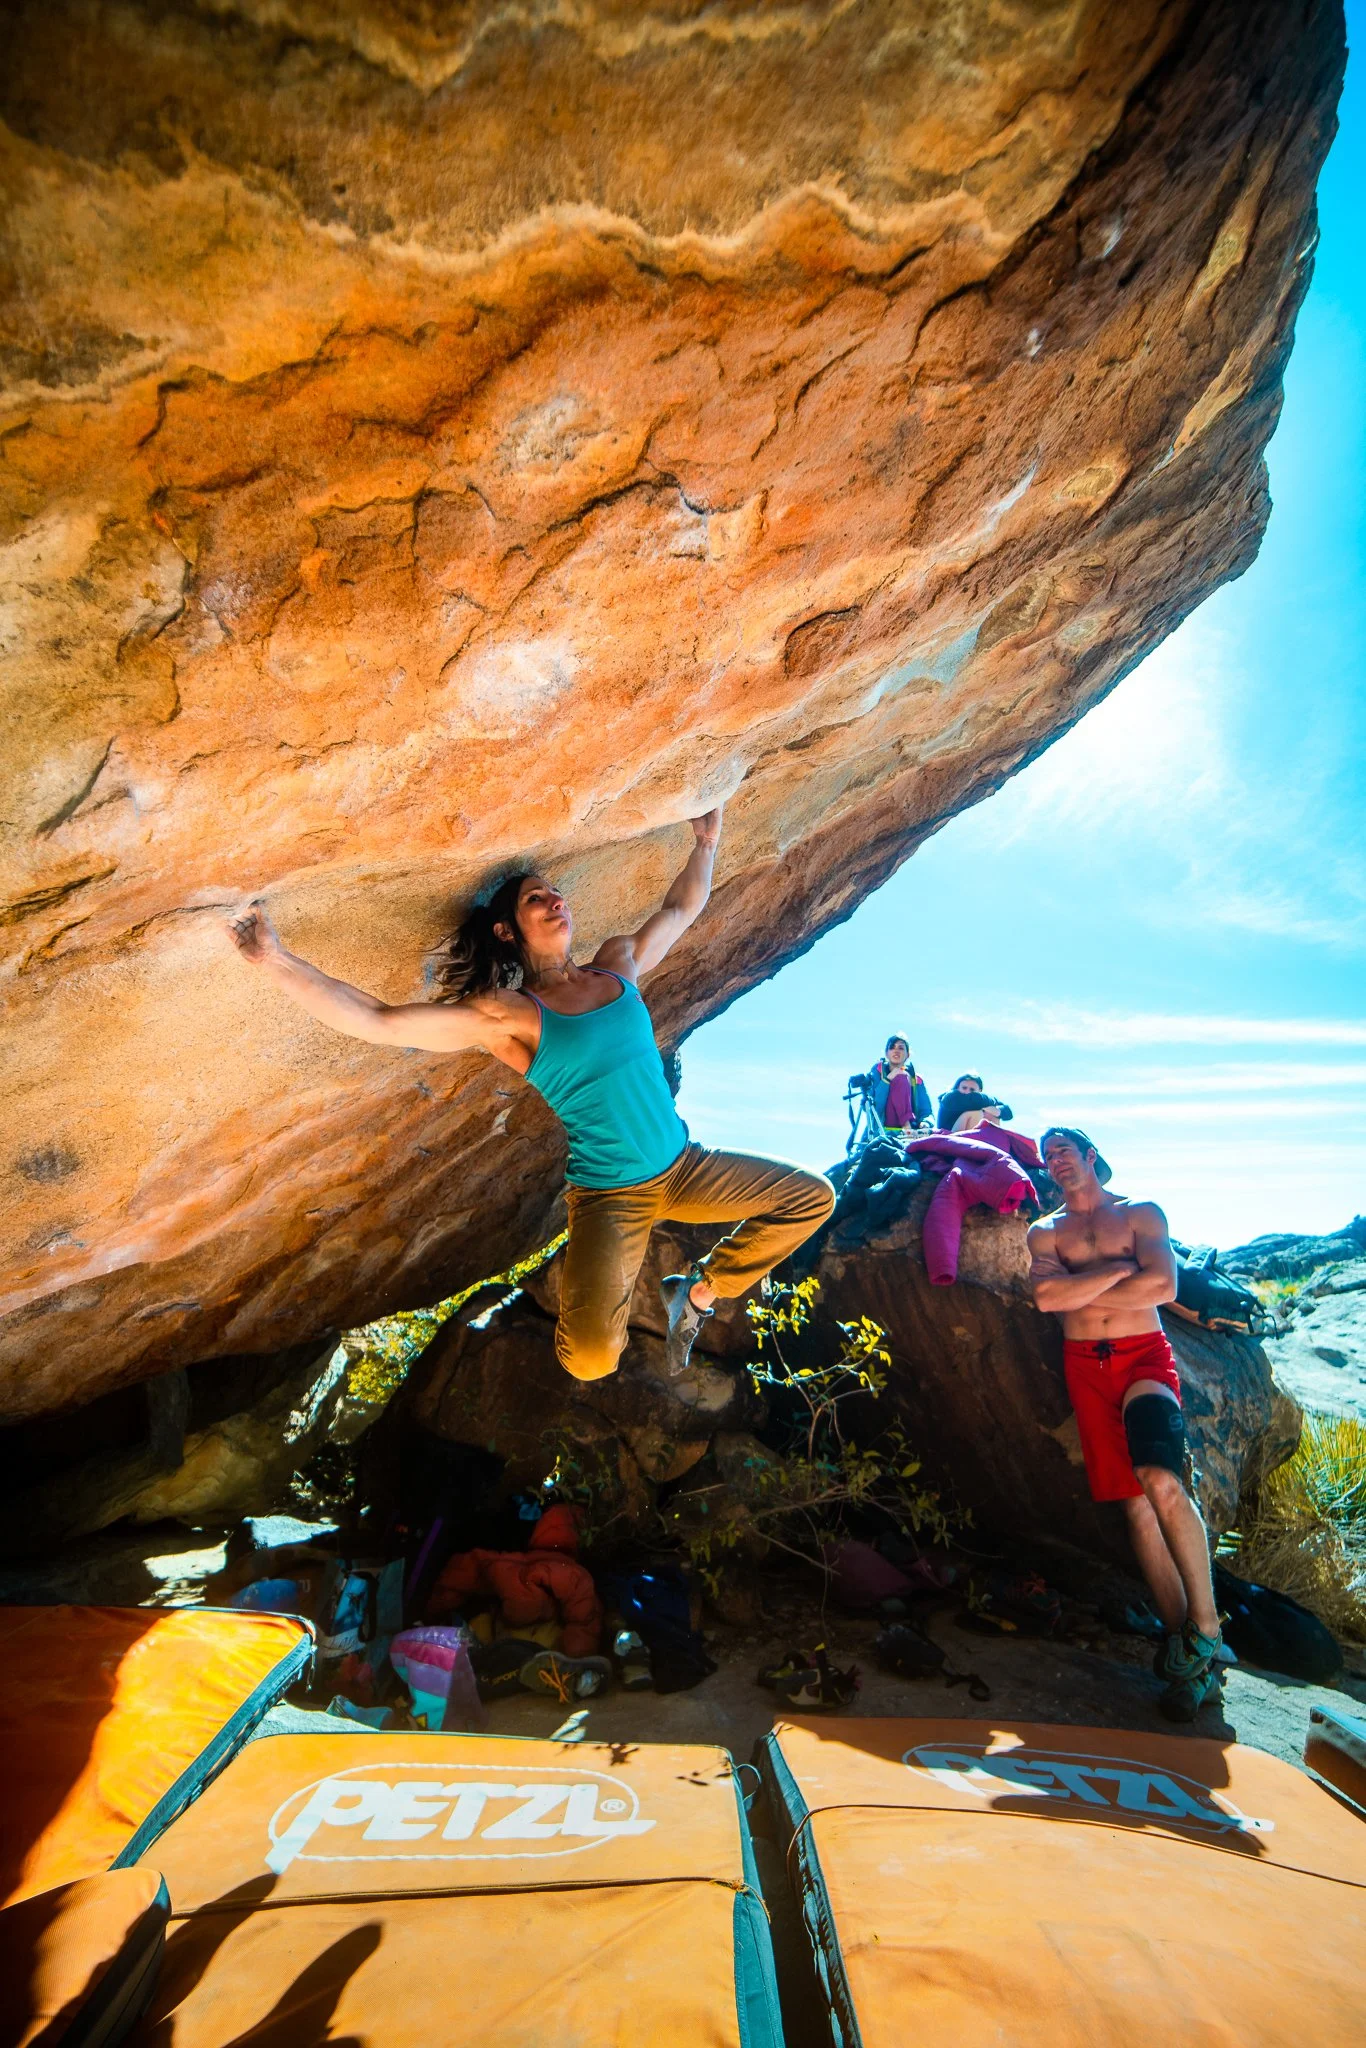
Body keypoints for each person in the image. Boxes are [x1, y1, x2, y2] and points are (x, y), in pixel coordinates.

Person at [226, 809, 834, 1387]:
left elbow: (681, 907)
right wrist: (275, 960)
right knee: (592, 1361)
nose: (554, 901)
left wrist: (706, 842)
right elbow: (382, 1021)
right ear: (506, 930)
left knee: (811, 1198)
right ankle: (605, 1293)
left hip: (686, 1167)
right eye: (534, 899)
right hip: (610, 1197)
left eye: (555, 893)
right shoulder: (509, 1015)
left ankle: (696, 1291)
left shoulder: (617, 967)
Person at [1027, 1127, 1223, 1721]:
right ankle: (1188, 1658)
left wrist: (1079, 1285)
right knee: (1135, 1507)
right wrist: (1116, 1275)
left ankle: (1208, 1628)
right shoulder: (1045, 1231)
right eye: (1047, 1155)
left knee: (1160, 1479)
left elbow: (1163, 1284)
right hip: (1086, 1368)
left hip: (1144, 1359)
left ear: (1090, 1156)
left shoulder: (1140, 1213)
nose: (1055, 1160)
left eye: (1064, 1150)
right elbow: (1044, 1300)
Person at [866, 1035, 931, 1133]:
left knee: (902, 1078)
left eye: (901, 1048)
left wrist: (926, 1122)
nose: (896, 1051)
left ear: (907, 1054)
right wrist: (887, 1080)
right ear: (886, 1053)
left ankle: (908, 1125)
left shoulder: (916, 1080)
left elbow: (926, 1110)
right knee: (901, 1078)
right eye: (892, 1047)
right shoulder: (876, 1074)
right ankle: (906, 1124)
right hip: (881, 1128)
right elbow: (874, 1108)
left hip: (912, 1128)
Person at [936, 1072, 1012, 1133]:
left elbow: (1008, 1114)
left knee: (991, 1113)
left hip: (975, 1135)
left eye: (972, 1089)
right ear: (957, 1087)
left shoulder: (982, 1100)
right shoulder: (950, 1097)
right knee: (976, 1112)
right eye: (964, 1088)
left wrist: (998, 1111)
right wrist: (993, 1104)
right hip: (950, 1136)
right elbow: (974, 1100)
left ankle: (992, 1143)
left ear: (980, 1091)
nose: (967, 1092)